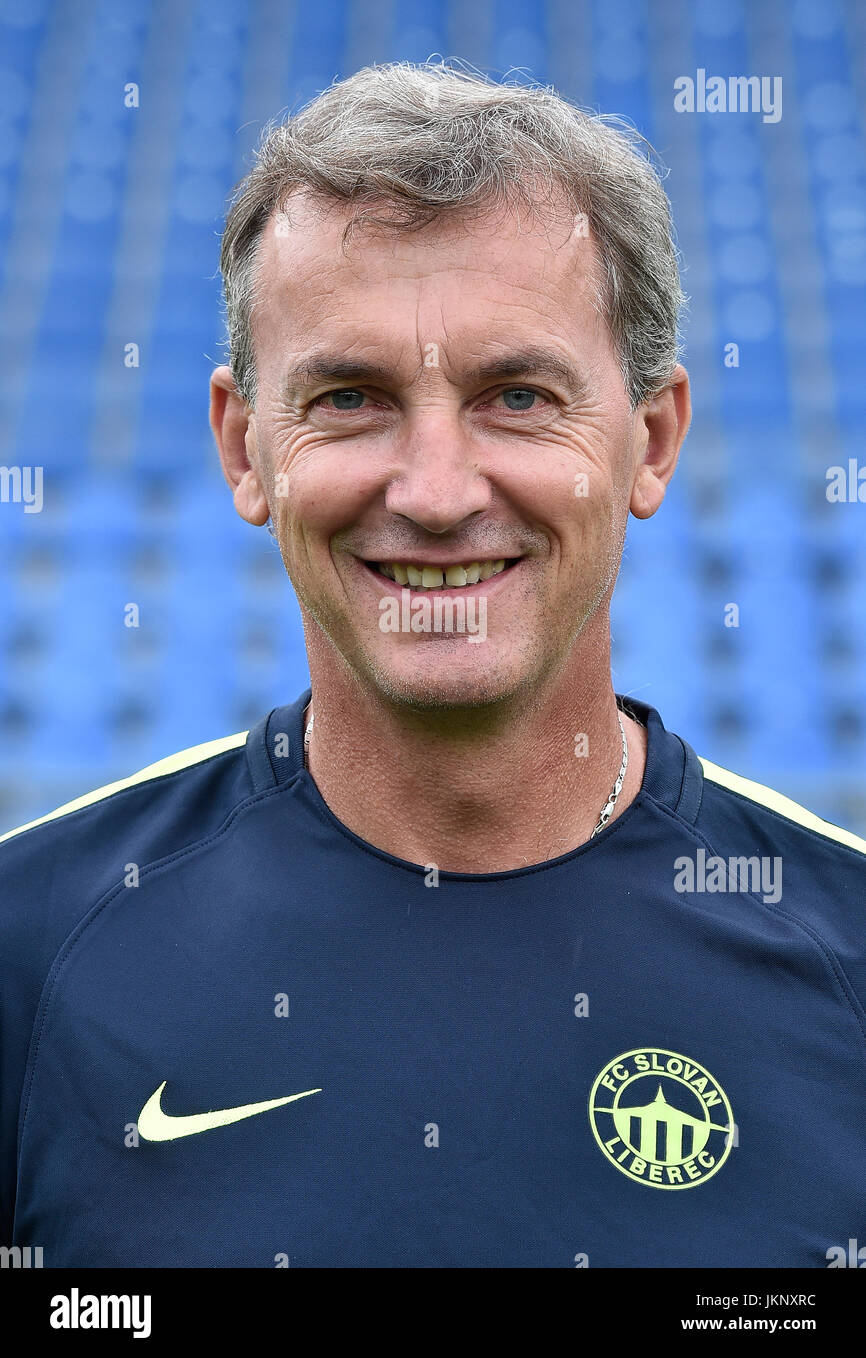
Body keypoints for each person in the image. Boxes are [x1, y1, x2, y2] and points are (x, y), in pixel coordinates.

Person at [1, 63, 863, 1268]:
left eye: (516, 395)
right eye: (350, 399)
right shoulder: (32, 949)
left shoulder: (843, 952)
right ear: (244, 450)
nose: (438, 491)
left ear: (651, 441)